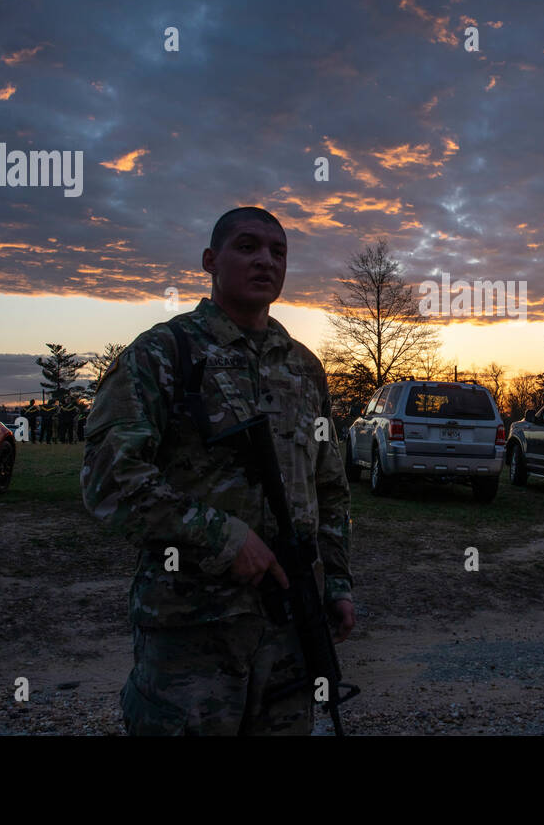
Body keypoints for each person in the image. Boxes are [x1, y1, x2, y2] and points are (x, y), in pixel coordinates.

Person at [81, 206, 354, 735]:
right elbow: (108, 479)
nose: (265, 261)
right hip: (192, 627)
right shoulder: (163, 353)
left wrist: (337, 583)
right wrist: (223, 537)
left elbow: (330, 485)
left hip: (290, 623)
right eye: (247, 247)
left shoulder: (303, 367)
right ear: (210, 260)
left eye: (278, 252)